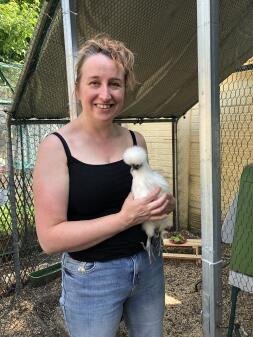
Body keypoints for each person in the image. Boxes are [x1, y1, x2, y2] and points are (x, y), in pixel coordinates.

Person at [33, 35, 176, 337]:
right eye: (94, 82)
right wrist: (125, 218)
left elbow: (146, 200)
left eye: (115, 83)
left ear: (125, 89)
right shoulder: (56, 147)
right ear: (77, 89)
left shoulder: (136, 141)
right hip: (91, 278)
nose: (105, 94)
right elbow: (49, 238)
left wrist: (162, 204)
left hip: (147, 264)